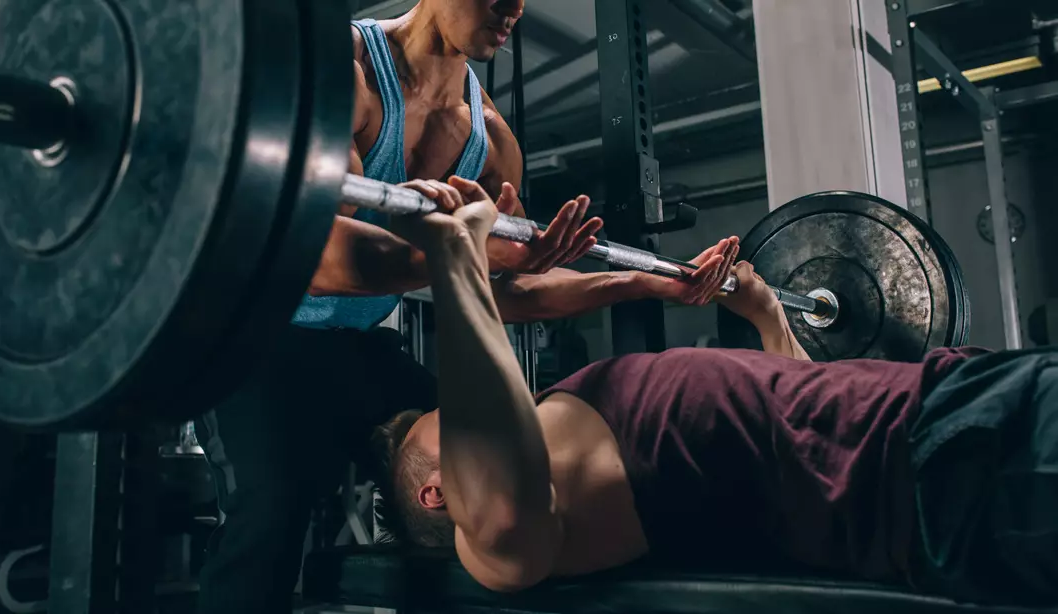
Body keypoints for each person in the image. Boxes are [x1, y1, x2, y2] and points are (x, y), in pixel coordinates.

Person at [194, 1, 739, 613]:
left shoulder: (492, 140)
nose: (513, 9)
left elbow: (500, 295)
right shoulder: (344, 69)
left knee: (491, 479)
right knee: (271, 510)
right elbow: (320, 263)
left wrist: (634, 285)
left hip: (361, 348)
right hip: (260, 340)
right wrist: (467, 250)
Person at [373, 181, 1058, 608]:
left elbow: (797, 408)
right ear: (437, 491)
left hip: (959, 402)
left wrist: (765, 315)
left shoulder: (557, 426)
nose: (463, 402)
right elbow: (496, 506)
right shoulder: (495, 544)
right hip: (941, 468)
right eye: (445, 418)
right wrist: (455, 259)